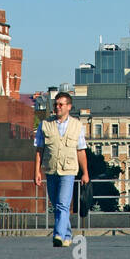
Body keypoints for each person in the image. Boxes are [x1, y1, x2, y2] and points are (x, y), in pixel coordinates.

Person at [34, 91, 89, 248]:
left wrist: (85, 172)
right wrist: (36, 171)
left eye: (60, 104)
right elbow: (39, 149)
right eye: (56, 104)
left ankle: (57, 235)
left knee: (63, 204)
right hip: (51, 170)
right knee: (56, 204)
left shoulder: (77, 126)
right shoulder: (44, 125)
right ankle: (67, 235)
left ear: (69, 107)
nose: (57, 107)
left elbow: (81, 151)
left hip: (69, 171)